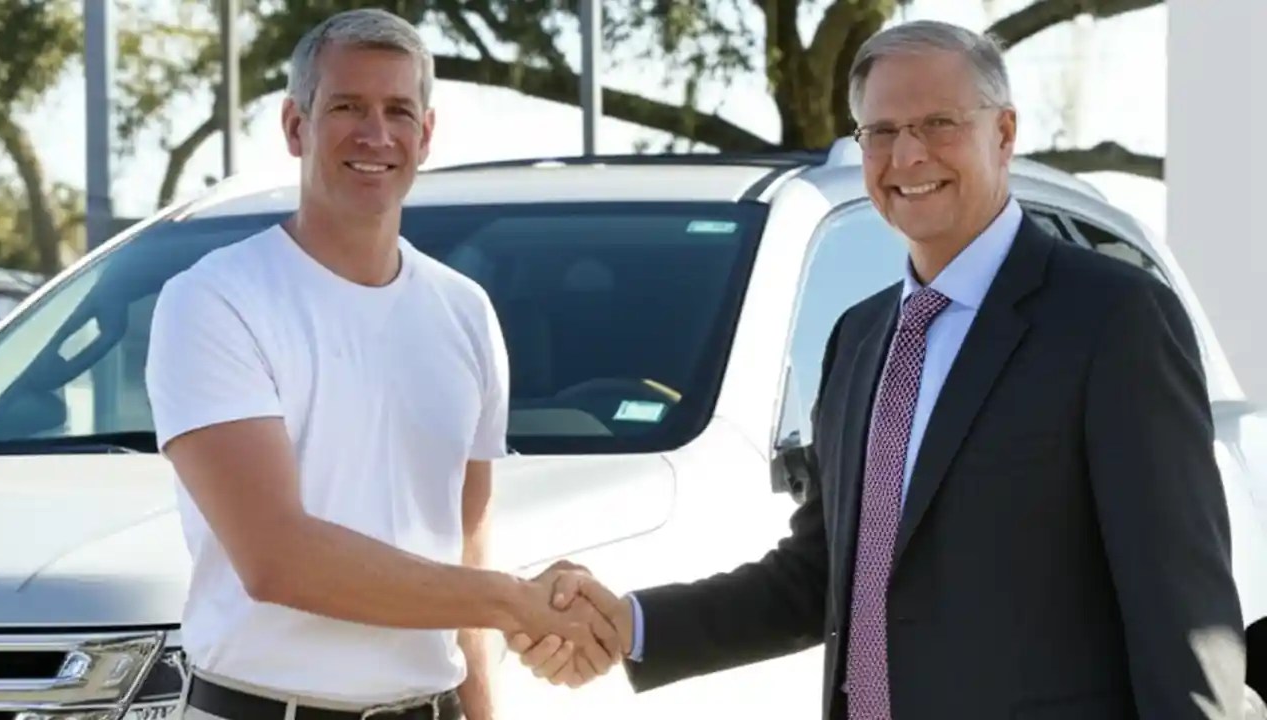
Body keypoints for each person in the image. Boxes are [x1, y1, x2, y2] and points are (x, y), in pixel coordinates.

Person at [507, 19, 1248, 720]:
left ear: (1006, 132)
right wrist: (630, 622)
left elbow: (1181, 615)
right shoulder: (859, 339)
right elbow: (823, 577)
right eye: (883, 132)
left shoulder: (1112, 320)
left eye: (938, 125)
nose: (908, 157)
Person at [145, 9, 618, 720]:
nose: (376, 134)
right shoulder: (214, 301)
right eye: (346, 107)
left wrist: (483, 703)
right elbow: (278, 558)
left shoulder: (465, 313)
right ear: (295, 125)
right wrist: (514, 601)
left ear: (426, 135)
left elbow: (466, 546)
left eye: (399, 110)